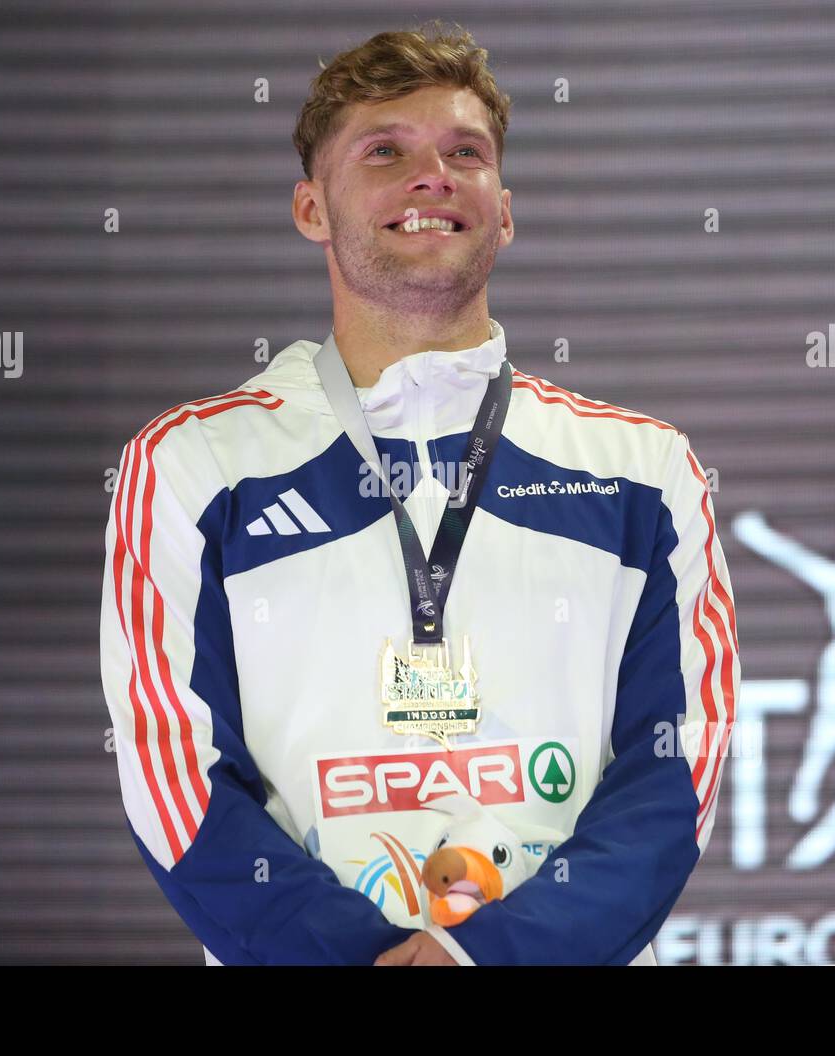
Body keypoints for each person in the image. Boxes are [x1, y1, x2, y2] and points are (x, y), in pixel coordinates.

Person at [99, 19, 740, 966]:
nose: (430, 176)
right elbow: (172, 771)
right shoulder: (193, 464)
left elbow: (674, 764)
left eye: (464, 154)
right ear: (312, 208)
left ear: (506, 209)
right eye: (384, 152)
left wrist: (485, 957)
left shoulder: (643, 469)